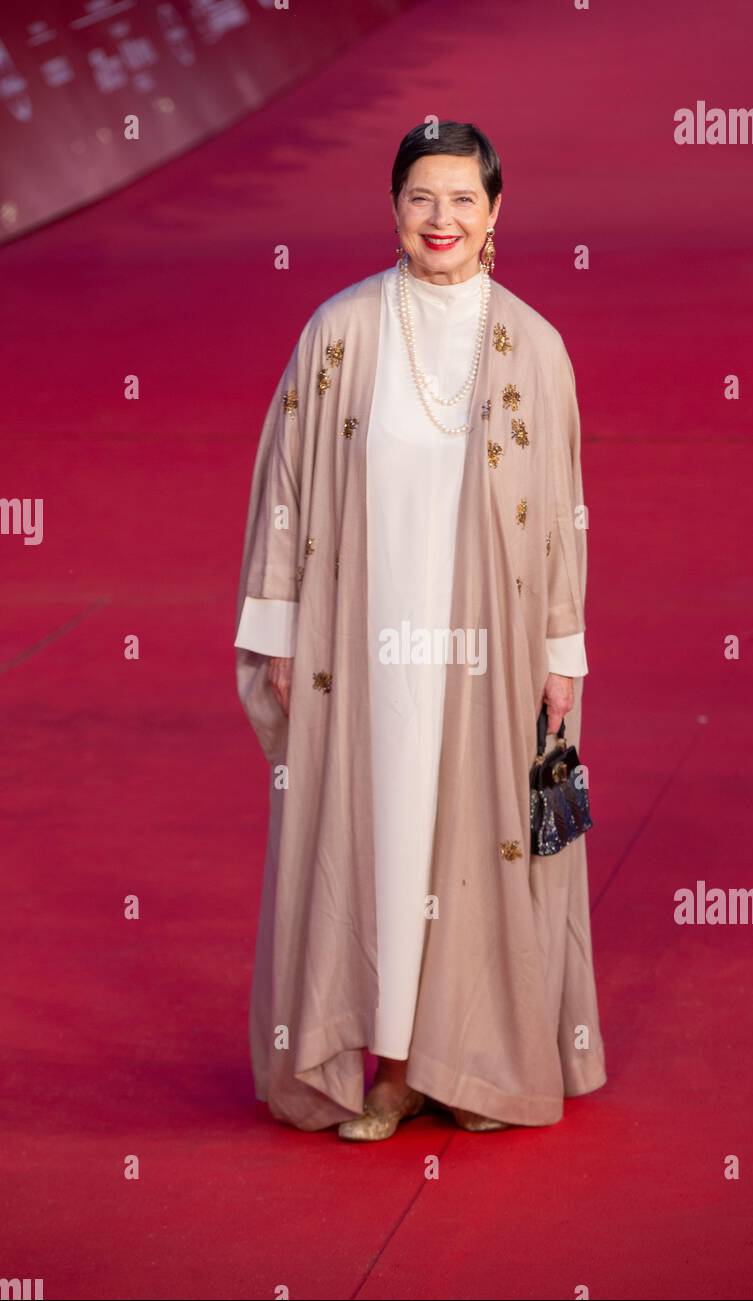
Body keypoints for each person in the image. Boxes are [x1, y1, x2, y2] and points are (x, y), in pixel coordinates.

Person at [234, 121, 606, 1141]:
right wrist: (274, 634)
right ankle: (392, 1066)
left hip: (485, 651)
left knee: (487, 840)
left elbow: (564, 510)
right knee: (384, 843)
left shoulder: (533, 344)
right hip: (365, 652)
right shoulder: (341, 333)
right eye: (418, 199)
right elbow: (284, 493)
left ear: (495, 214)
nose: (439, 220)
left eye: (461, 201)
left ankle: (477, 1061)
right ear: (392, 208)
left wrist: (559, 655)